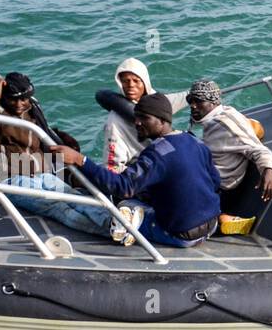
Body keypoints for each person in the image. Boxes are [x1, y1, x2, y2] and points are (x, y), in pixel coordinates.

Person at [50, 92, 222, 247]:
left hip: (181, 235)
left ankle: (71, 204)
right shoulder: (194, 141)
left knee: (122, 206)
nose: (137, 122)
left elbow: (122, 187)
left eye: (144, 118)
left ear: (162, 121)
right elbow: (215, 182)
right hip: (211, 226)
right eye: (136, 117)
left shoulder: (158, 153)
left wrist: (80, 160)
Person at [183, 79, 272, 232]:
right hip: (207, 176)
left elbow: (259, 150)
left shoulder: (225, 124)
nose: (193, 105)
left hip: (219, 189)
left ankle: (223, 219)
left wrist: (268, 170)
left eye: (199, 101)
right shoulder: (208, 119)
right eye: (191, 101)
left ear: (213, 102)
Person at [0, 72, 79, 181]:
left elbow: (44, 132)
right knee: (52, 198)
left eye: (23, 99)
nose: (18, 104)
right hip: (13, 177)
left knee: (76, 194)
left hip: (42, 174)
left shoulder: (32, 110)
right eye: (12, 99)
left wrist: (65, 142)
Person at [97, 58, 188, 172]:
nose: (130, 85)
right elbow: (112, 166)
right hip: (142, 168)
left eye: (136, 80)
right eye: (125, 81)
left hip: (167, 157)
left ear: (145, 82)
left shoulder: (158, 102)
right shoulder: (115, 121)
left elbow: (182, 98)